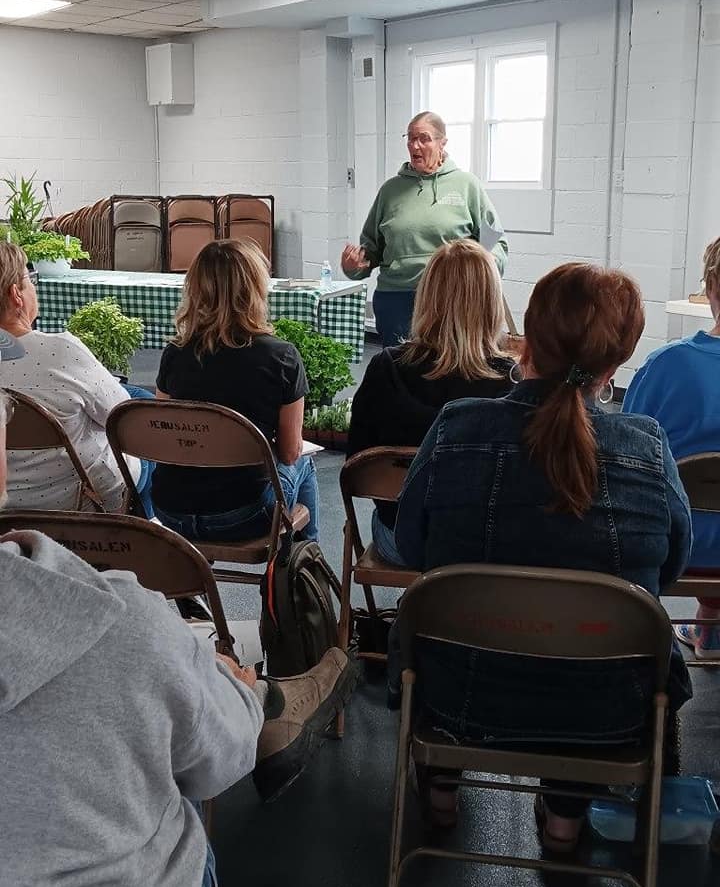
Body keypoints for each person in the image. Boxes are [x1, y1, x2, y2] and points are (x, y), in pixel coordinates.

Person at [0, 347, 357, 887]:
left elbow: (138, 432)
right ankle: (292, 603)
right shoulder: (115, 618)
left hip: (171, 513)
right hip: (235, 519)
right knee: (302, 471)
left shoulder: (177, 355)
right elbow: (219, 764)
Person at [393, 263, 692, 850]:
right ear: (616, 363)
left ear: (526, 339)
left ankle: (441, 791)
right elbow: (671, 568)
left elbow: (411, 545)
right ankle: (563, 820)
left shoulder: (456, 428)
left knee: (443, 631)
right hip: (607, 714)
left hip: (457, 692)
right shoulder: (648, 449)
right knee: (587, 651)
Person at [347, 239, 513, 564]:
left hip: (403, 540)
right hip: (484, 543)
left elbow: (357, 463)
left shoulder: (386, 369)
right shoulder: (511, 382)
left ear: (426, 295)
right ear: (491, 301)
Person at [152, 238, 319, 542]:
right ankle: (302, 572)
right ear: (256, 288)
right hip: (244, 513)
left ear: (196, 288)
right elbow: (289, 452)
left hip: (169, 510)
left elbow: (162, 433)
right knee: (304, 462)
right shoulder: (281, 357)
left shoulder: (175, 353)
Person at [0, 241, 153, 514]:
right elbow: (124, 423)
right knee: (145, 418)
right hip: (78, 501)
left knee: (137, 398)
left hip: (7, 507)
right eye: (29, 278)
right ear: (16, 295)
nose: (34, 286)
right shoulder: (61, 351)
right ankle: (144, 537)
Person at [623, 236, 720, 659]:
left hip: (681, 545)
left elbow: (626, 451)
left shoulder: (664, 365)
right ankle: (711, 627)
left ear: (711, 289)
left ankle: (704, 629)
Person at [342, 111, 508, 348]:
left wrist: (486, 268)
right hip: (397, 299)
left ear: (443, 143)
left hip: (452, 298)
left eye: (424, 138)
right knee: (400, 373)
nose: (414, 145)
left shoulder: (467, 185)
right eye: (410, 138)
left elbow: (497, 244)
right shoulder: (390, 191)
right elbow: (370, 250)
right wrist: (354, 267)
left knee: (449, 373)